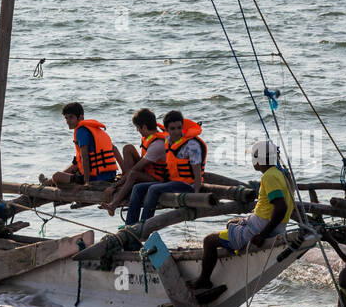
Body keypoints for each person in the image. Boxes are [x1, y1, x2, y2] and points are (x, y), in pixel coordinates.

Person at [191, 138, 293, 291]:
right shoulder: (280, 173)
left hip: (261, 227)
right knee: (231, 223)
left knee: (209, 241)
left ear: (258, 159)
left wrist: (262, 235)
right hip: (272, 224)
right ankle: (235, 249)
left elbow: (280, 208)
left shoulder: (269, 176)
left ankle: (204, 281)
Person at [122, 110, 207, 227]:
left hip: (188, 185)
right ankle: (130, 225)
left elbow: (197, 175)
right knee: (137, 188)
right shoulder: (168, 141)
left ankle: (144, 226)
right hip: (173, 182)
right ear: (166, 129)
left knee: (153, 189)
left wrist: (195, 197)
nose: (176, 132)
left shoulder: (192, 146)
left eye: (179, 128)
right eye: (172, 129)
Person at [99, 107, 170, 215]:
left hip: (159, 178)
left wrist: (114, 185)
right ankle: (125, 185)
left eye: (138, 128)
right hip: (148, 172)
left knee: (133, 174)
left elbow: (136, 169)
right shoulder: (150, 137)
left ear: (144, 127)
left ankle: (114, 204)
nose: (137, 130)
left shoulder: (157, 144)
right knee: (128, 148)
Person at [44, 102, 119, 188]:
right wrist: (124, 171)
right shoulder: (94, 128)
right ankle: (47, 182)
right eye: (66, 118)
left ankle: (51, 182)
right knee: (74, 166)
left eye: (71, 117)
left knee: (56, 176)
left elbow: (85, 158)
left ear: (80, 117)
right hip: (110, 176)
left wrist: (86, 183)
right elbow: (114, 148)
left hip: (94, 178)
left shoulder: (81, 131)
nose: (68, 121)